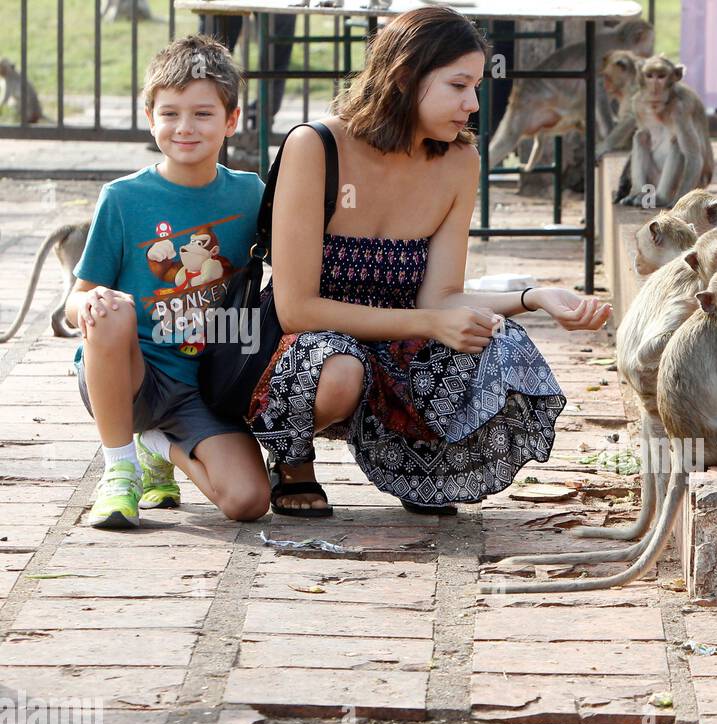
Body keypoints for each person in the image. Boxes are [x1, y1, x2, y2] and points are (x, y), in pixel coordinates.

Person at [246, 4, 610, 517]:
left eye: (477, 86)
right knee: (338, 367)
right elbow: (297, 309)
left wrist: (534, 299)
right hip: (305, 344)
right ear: (402, 78)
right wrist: (432, 322)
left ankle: (422, 466)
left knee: (499, 341)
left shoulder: (459, 161)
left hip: (399, 341)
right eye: (458, 86)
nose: (473, 104)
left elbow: (442, 297)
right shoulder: (317, 146)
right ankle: (292, 456)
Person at [67, 35, 271, 529]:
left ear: (231, 120)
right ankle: (120, 469)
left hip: (205, 383)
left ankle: (158, 442)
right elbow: (74, 303)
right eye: (170, 113)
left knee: (247, 502)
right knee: (112, 310)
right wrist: (92, 301)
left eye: (203, 114)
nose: (185, 127)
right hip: (128, 375)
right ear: (149, 117)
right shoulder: (123, 198)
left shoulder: (251, 194)